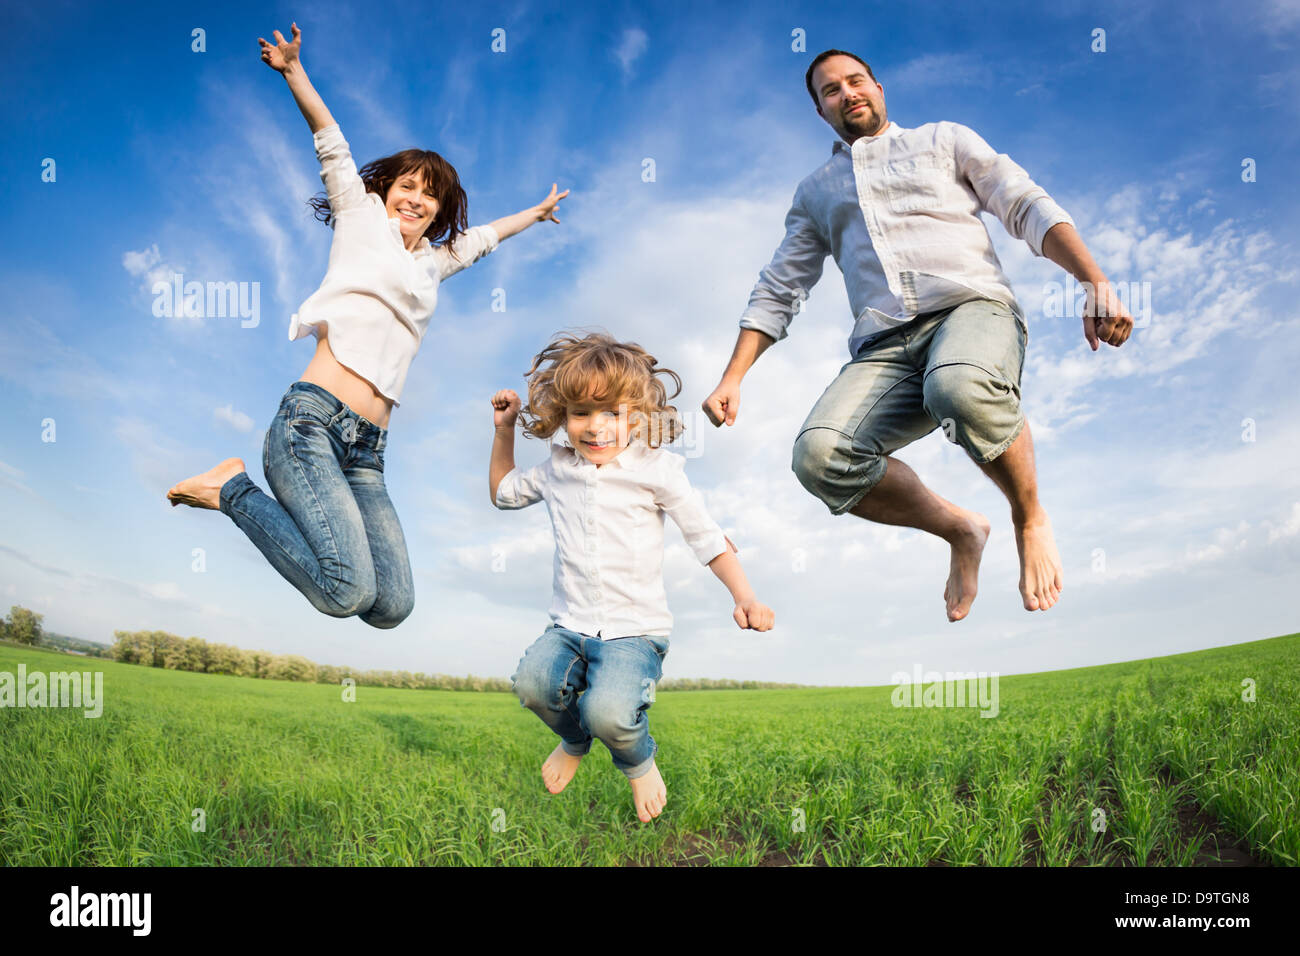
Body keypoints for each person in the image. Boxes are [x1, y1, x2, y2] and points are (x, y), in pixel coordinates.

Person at [702, 49, 1134, 622]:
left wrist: (1093, 281)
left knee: (955, 386)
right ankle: (961, 530)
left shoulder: (943, 140)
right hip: (884, 348)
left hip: (971, 311)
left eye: (856, 81)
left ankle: (1028, 516)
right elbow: (780, 286)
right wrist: (734, 376)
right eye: (831, 90)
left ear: (878, 88)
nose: (847, 93)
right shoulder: (816, 192)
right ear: (820, 109)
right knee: (819, 457)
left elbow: (1023, 203)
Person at [166, 23, 568, 628]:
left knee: (391, 607)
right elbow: (331, 142)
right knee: (343, 592)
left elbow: (484, 239)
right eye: (407, 186)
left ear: (440, 211)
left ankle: (237, 492)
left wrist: (535, 216)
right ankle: (231, 489)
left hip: (369, 452)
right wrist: (293, 71)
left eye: (430, 196)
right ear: (384, 191)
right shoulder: (359, 219)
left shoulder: (432, 264)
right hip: (312, 424)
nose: (416, 199)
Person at [490, 331, 774, 821]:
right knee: (533, 686)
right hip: (569, 625)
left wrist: (745, 596)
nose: (595, 428)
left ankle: (639, 762)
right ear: (562, 417)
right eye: (580, 413)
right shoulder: (557, 468)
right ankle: (573, 742)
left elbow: (706, 537)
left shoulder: (658, 470)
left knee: (609, 713)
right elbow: (502, 493)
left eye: (613, 414)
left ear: (637, 417)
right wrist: (504, 429)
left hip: (635, 632)